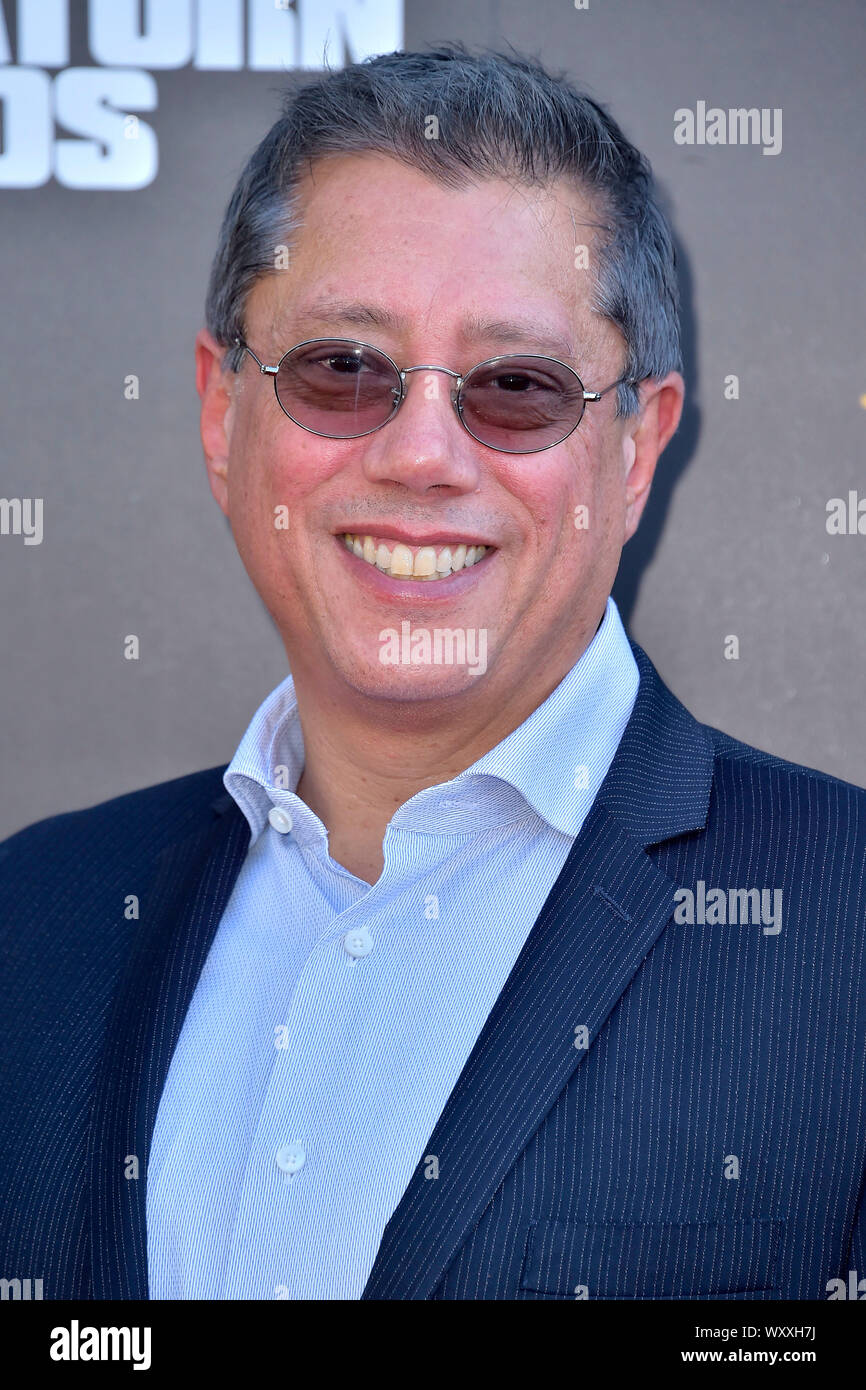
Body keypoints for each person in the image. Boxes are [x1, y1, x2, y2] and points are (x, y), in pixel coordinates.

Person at [1, 44, 864, 1303]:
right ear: (218, 414)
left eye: (515, 388)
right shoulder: (31, 912)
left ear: (636, 452)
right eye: (341, 368)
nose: (419, 455)